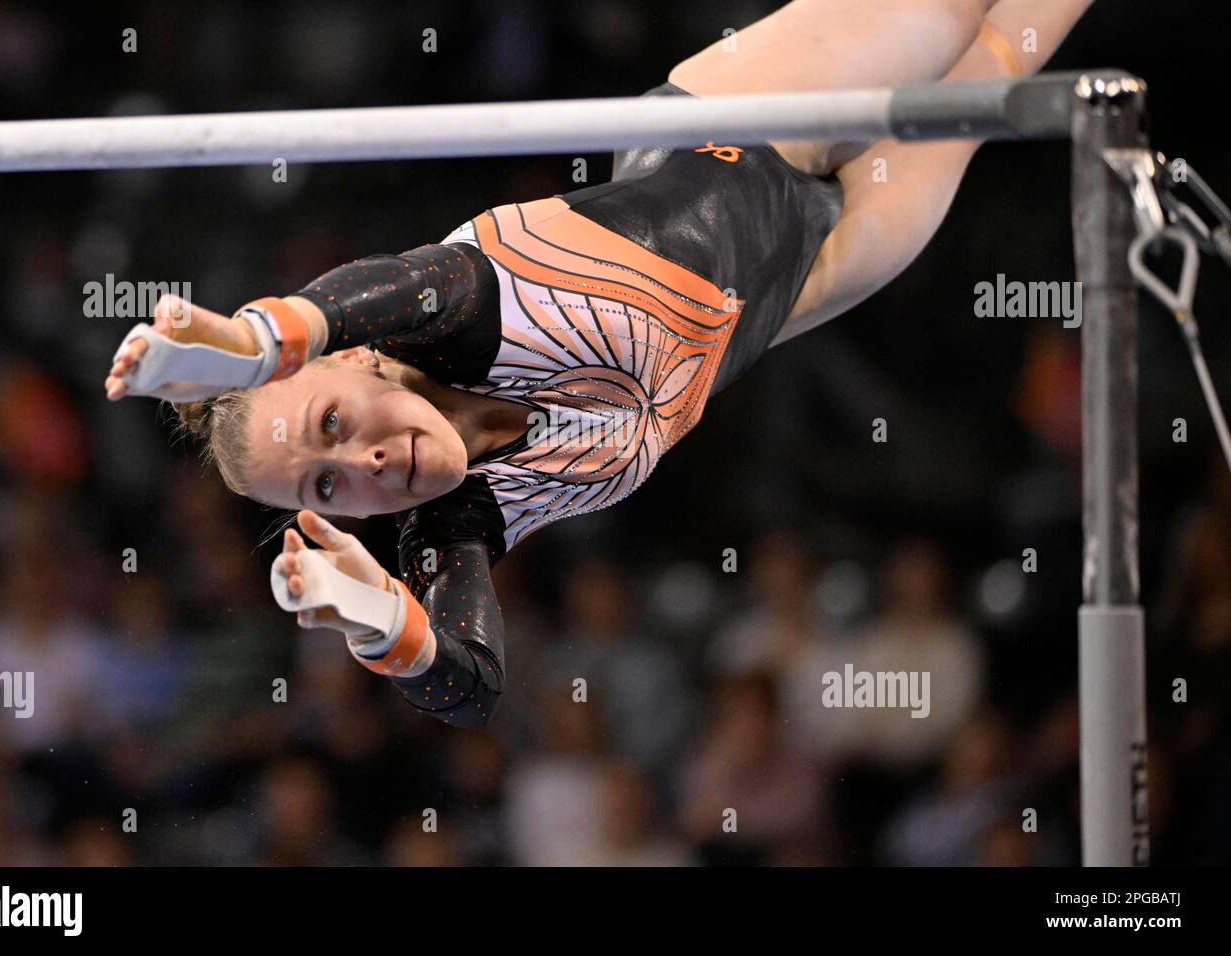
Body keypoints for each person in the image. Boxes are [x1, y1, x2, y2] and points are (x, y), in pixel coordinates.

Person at [104, 0, 1095, 728]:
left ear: (358, 359)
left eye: (332, 425)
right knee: (1006, 51)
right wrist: (376, 617)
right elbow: (470, 679)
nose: (363, 465)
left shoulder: (457, 306)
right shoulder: (460, 515)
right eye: (325, 486)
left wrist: (244, 345)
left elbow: (360, 291)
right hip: (804, 279)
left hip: (742, 129)